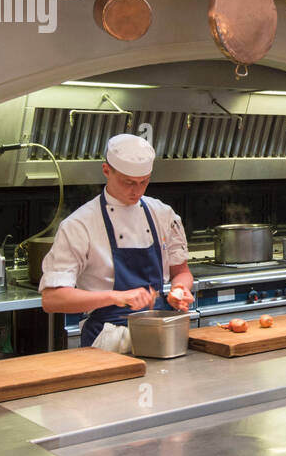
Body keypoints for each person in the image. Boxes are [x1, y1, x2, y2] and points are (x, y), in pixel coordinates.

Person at [40, 133, 194, 347]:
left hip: (159, 335)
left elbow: (181, 272)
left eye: (144, 182)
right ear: (106, 170)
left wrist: (180, 290)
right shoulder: (79, 225)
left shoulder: (163, 214)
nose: (136, 191)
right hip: (106, 341)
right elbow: (52, 299)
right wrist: (115, 297)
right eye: (128, 182)